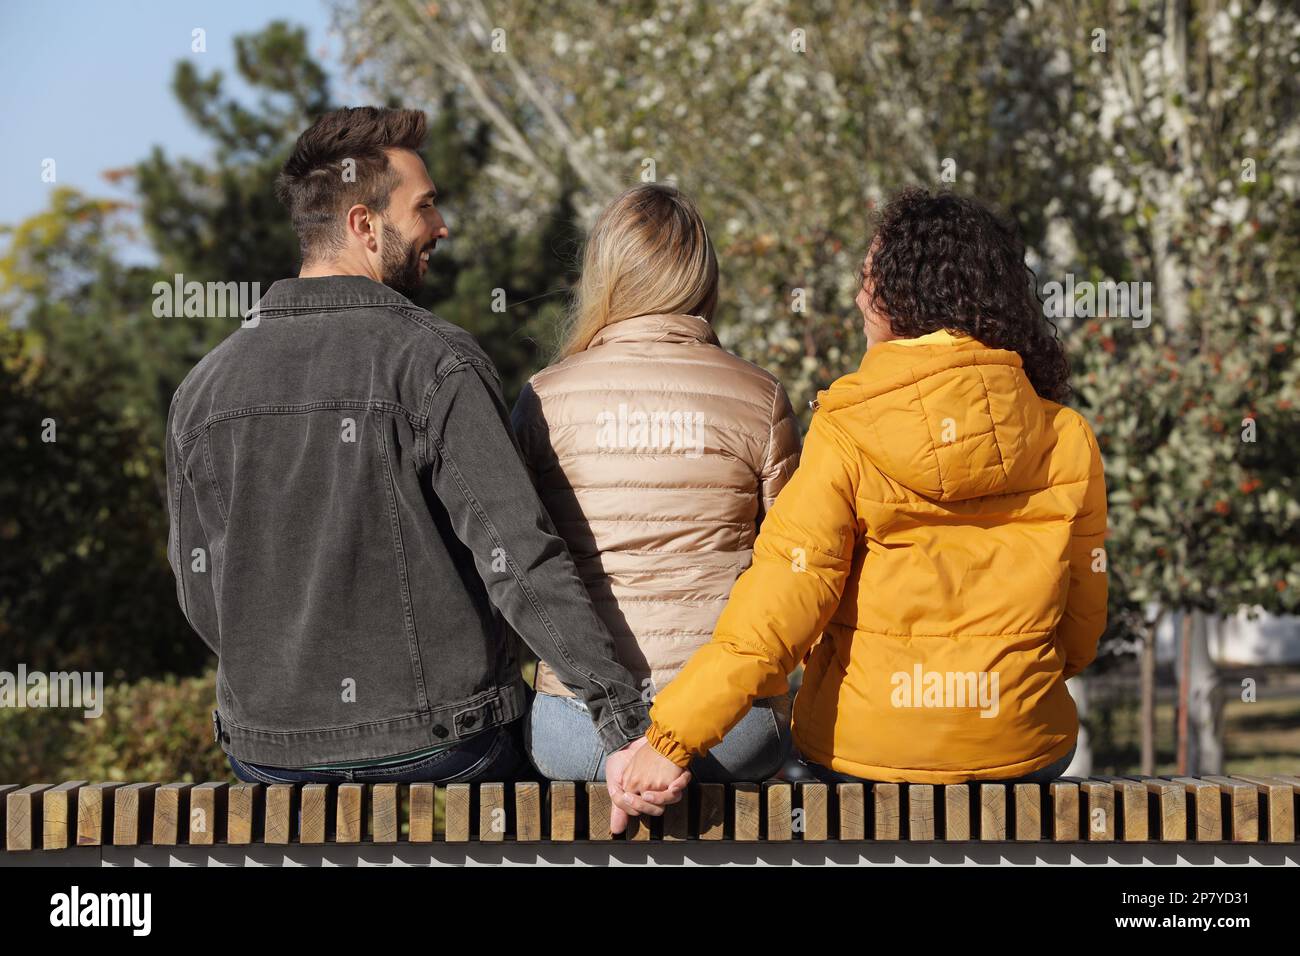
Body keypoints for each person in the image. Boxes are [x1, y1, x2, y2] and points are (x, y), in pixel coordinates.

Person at [164, 106, 677, 805]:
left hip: (270, 761)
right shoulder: (434, 361)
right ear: (363, 226)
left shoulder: (203, 388)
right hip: (442, 747)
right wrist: (623, 723)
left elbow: (199, 590)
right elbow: (520, 560)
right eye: (426, 206)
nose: (443, 227)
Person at [613, 187, 1107, 827]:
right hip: (1021, 747)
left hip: (864, 752)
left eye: (867, 280)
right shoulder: (1066, 436)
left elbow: (778, 609)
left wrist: (670, 739)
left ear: (901, 297)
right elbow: (1083, 617)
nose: (856, 298)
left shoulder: (847, 430)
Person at [513, 183, 801, 783]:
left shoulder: (545, 397)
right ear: (703, 277)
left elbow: (514, 564)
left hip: (577, 727)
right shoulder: (760, 397)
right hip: (730, 731)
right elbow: (792, 576)